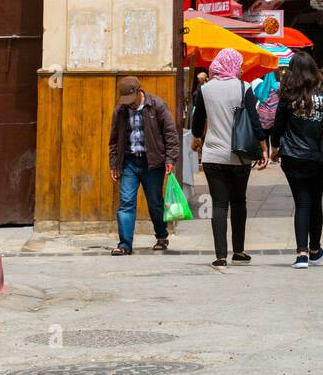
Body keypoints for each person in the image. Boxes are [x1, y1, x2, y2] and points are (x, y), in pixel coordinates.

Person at [191, 48, 268, 267]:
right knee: (239, 201)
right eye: (240, 65)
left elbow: (198, 122)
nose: (241, 69)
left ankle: (221, 256)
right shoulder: (244, 87)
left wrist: (196, 138)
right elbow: (254, 120)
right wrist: (263, 147)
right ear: (234, 65)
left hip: (213, 155)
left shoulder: (205, 89)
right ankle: (239, 251)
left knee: (219, 204)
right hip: (239, 156)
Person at [270, 51, 323, 267]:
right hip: (317, 157)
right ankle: (315, 249)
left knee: (302, 203)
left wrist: (275, 147)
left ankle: (302, 253)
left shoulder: (287, 98)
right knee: (316, 203)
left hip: (292, 156)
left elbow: (277, 128)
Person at [109, 75, 180, 256]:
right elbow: (114, 140)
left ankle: (161, 236)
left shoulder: (157, 105)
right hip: (129, 162)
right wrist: (114, 164)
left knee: (155, 202)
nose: (130, 104)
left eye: (131, 100)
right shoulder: (120, 110)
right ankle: (125, 245)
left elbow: (170, 134)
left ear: (140, 91)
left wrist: (170, 159)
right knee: (126, 202)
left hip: (152, 163)